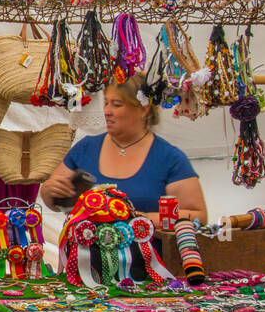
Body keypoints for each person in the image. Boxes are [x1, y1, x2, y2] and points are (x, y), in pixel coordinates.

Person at [39, 72, 208, 224]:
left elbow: (197, 215)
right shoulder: (86, 148)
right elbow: (53, 198)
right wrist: (49, 191)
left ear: (143, 109)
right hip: (86, 256)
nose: (107, 111)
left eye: (117, 104)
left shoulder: (169, 158)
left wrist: (143, 219)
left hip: (148, 256)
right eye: (106, 103)